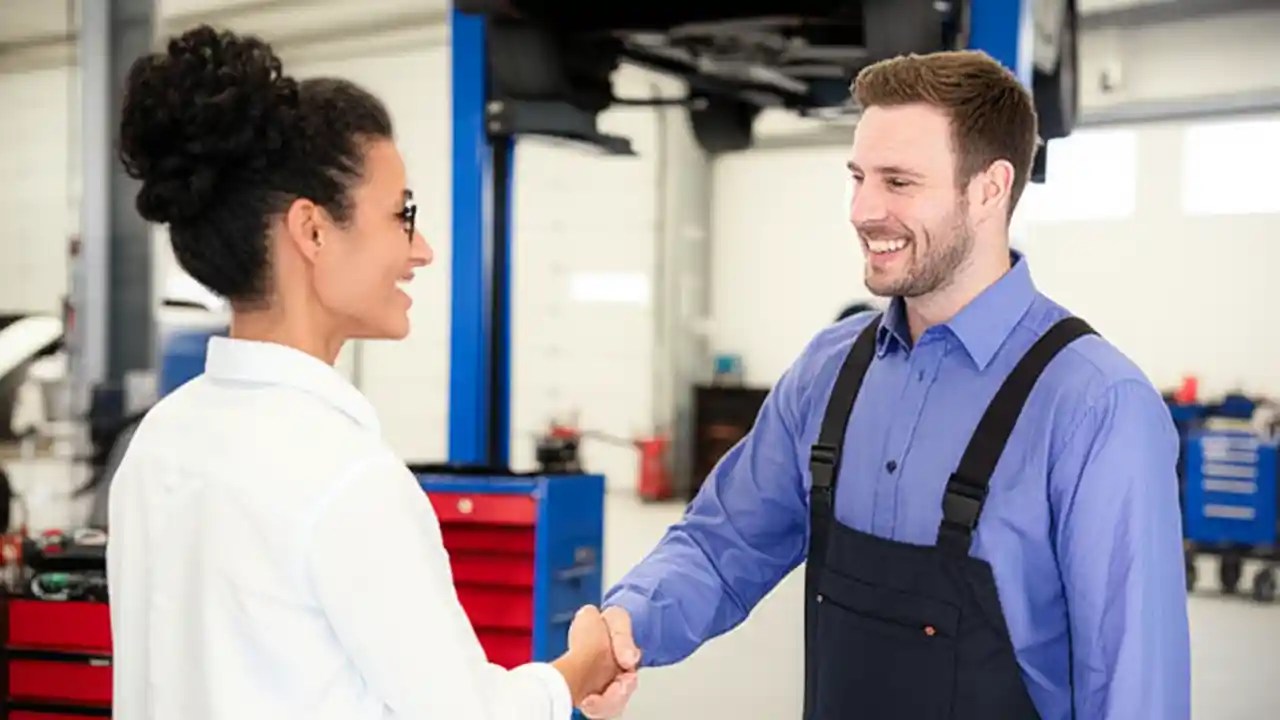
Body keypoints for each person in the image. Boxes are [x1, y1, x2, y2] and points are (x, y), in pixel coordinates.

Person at [590, 50, 1190, 719]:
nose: (862, 210)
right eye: (858, 177)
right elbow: (722, 543)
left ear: (989, 189)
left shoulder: (1095, 406)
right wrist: (625, 628)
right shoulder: (828, 371)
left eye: (898, 182)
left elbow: (1136, 687)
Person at [106, 26, 633, 719]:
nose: (423, 250)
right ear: (313, 231)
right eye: (400, 215)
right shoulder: (344, 477)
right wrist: (580, 668)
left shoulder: (159, 442)